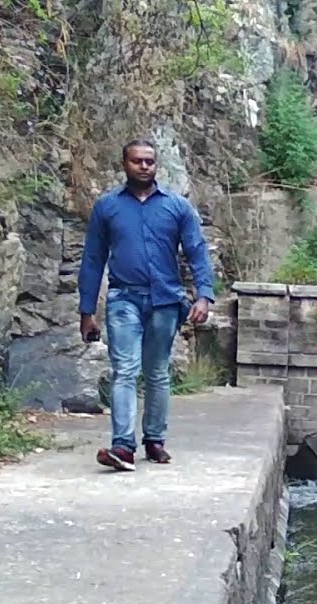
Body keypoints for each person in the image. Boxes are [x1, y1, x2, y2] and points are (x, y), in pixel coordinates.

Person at [78, 139, 215, 471]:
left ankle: (154, 439)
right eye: (137, 161)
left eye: (149, 161)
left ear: (156, 165)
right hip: (123, 298)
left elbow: (196, 251)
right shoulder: (107, 207)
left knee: (156, 371)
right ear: (124, 164)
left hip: (165, 300)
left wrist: (204, 295)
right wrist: (86, 311)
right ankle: (123, 446)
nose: (143, 166)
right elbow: (93, 259)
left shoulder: (177, 207)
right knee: (124, 370)